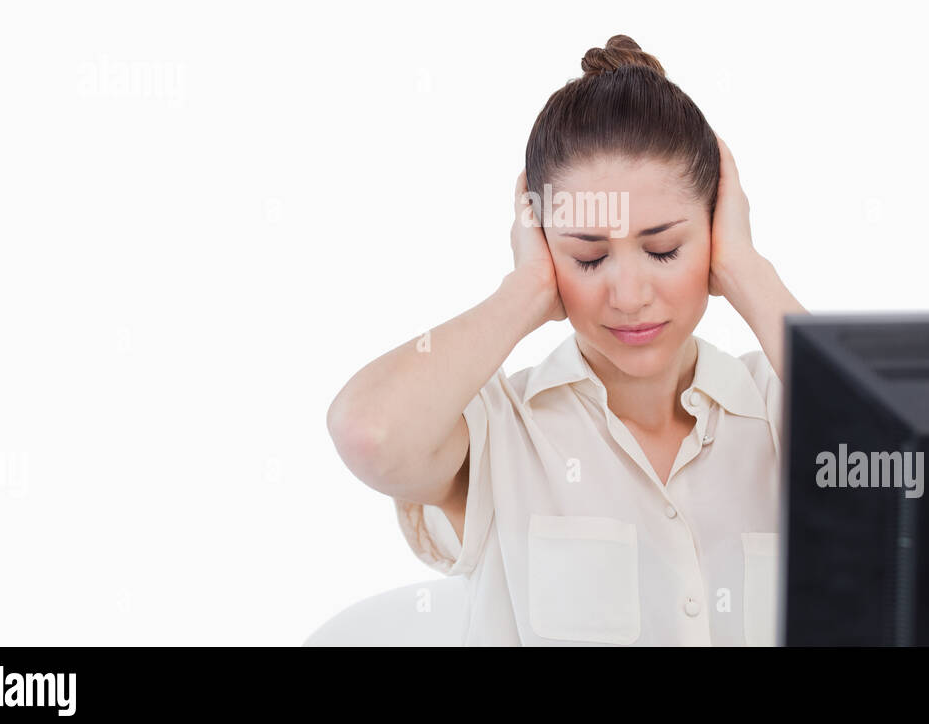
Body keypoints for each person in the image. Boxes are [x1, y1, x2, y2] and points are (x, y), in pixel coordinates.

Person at [327, 34, 809, 645]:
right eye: (587, 257)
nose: (629, 294)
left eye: (663, 250)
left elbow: (922, 474)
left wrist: (748, 271)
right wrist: (525, 290)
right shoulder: (501, 432)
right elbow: (370, 432)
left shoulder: (786, 405)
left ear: (715, 229)